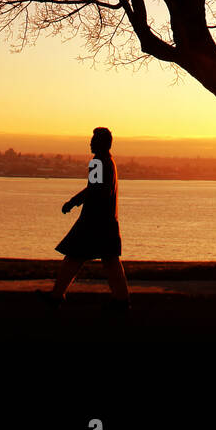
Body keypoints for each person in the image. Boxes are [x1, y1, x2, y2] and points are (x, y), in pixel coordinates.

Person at [38, 127, 130, 313]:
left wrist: (73, 202)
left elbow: (94, 190)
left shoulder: (97, 162)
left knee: (74, 257)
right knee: (109, 260)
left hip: (93, 221)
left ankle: (56, 296)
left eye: (94, 139)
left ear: (101, 142)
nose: (90, 142)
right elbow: (97, 189)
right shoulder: (109, 162)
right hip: (106, 220)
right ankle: (121, 300)